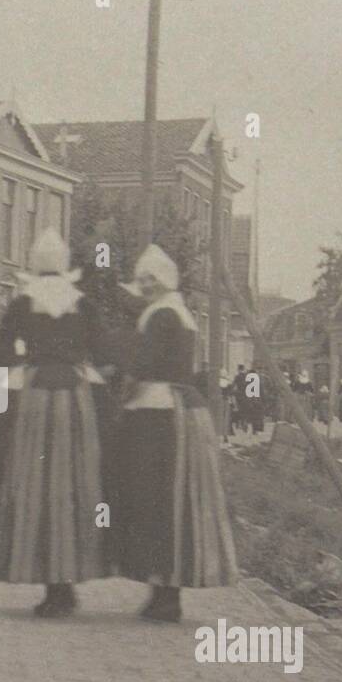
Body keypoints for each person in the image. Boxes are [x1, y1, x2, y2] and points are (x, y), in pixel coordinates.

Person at [111, 245, 238, 622]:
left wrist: (121, 394)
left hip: (159, 412)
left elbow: (142, 366)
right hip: (184, 409)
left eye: (151, 279)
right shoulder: (181, 313)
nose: (145, 286)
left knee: (155, 502)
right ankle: (166, 590)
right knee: (174, 502)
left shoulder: (161, 314)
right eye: (142, 279)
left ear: (164, 281)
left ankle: (165, 593)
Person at [0, 229, 107, 618]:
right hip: (74, 397)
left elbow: (2, 356)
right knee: (74, 484)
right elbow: (103, 351)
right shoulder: (84, 304)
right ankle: (66, 581)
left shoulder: (22, 303)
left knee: (34, 483)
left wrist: (20, 368)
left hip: (37, 396)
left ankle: (46, 578)